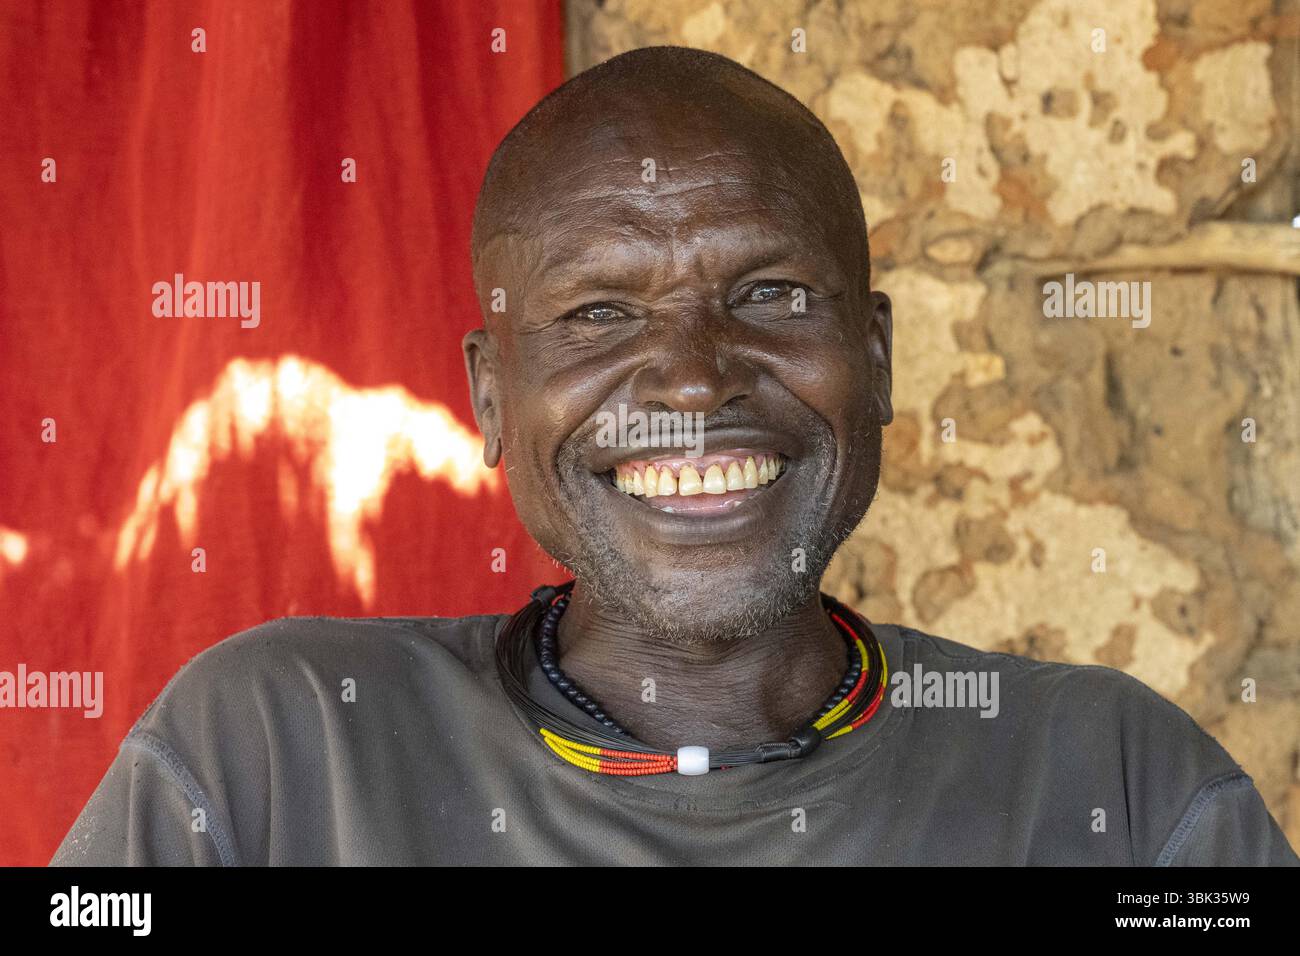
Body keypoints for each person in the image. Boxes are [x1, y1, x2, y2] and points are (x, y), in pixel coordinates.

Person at [51, 46, 1297, 866]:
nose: (695, 377)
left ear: (875, 358)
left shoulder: (1118, 793)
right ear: (491, 397)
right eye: (599, 314)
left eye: (768, 293)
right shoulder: (275, 751)